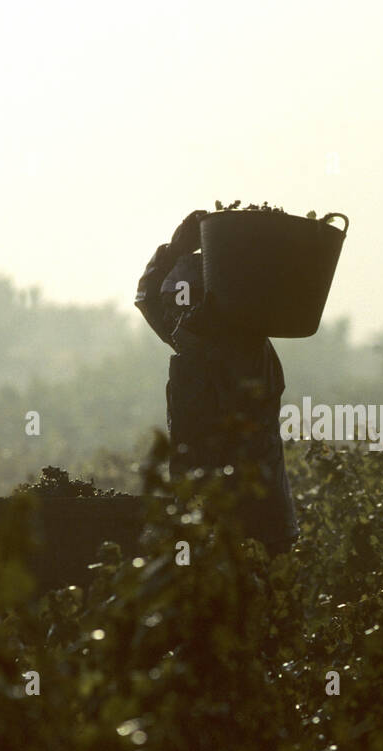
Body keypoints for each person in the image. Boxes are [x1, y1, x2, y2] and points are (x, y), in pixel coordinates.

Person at [134, 209, 299, 554]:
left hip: (251, 523)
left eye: (190, 304)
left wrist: (180, 251)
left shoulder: (239, 347)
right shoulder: (197, 343)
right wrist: (176, 250)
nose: (181, 314)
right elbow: (148, 297)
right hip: (223, 519)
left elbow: (149, 297)